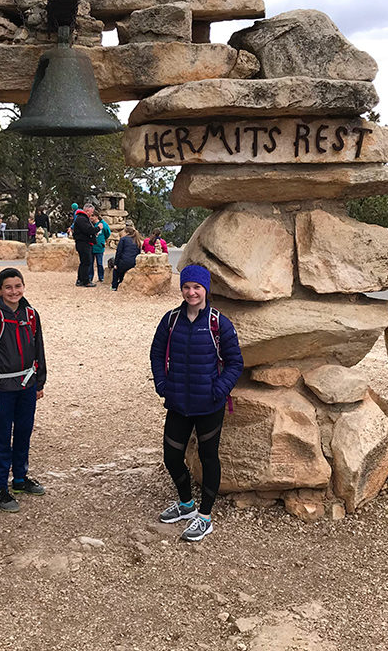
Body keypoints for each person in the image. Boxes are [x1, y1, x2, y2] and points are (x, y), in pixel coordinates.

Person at [149, 264, 243, 542]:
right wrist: (162, 385)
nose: (191, 292)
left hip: (209, 405)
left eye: (197, 287)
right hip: (178, 402)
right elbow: (156, 353)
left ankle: (205, 517)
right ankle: (186, 504)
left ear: (205, 289)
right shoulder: (171, 320)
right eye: (187, 287)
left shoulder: (218, 323)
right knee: (171, 457)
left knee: (208, 457)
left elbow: (235, 363)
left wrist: (219, 389)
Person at [0, 268, 48, 512]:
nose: (13, 291)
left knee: (24, 432)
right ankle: (0, 489)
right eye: (8, 287)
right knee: (3, 438)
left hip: (27, 385)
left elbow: (39, 348)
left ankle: (19, 479)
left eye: (18, 286)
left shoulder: (31, 314)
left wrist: (39, 382)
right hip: (2, 389)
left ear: (23, 286)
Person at [71, 204, 97, 287]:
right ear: (87, 211)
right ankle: (86, 281)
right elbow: (88, 230)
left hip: (83, 243)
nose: (92, 214)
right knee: (86, 262)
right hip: (83, 243)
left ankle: (80, 280)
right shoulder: (82, 218)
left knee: (83, 262)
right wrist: (98, 228)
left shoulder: (81, 218)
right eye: (91, 212)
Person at [110, 225, 142, 291]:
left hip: (124, 261)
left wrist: (116, 263)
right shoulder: (137, 240)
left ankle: (114, 286)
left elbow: (119, 252)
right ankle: (122, 283)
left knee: (116, 271)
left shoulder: (123, 239)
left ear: (127, 232)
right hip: (133, 262)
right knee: (123, 270)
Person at [89, 210, 111, 283]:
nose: (91, 217)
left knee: (99, 263)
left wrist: (103, 240)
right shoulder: (90, 224)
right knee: (90, 262)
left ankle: (101, 277)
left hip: (99, 246)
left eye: (92, 216)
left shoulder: (103, 224)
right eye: (90, 216)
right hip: (91, 246)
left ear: (96, 216)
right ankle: (90, 277)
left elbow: (107, 233)